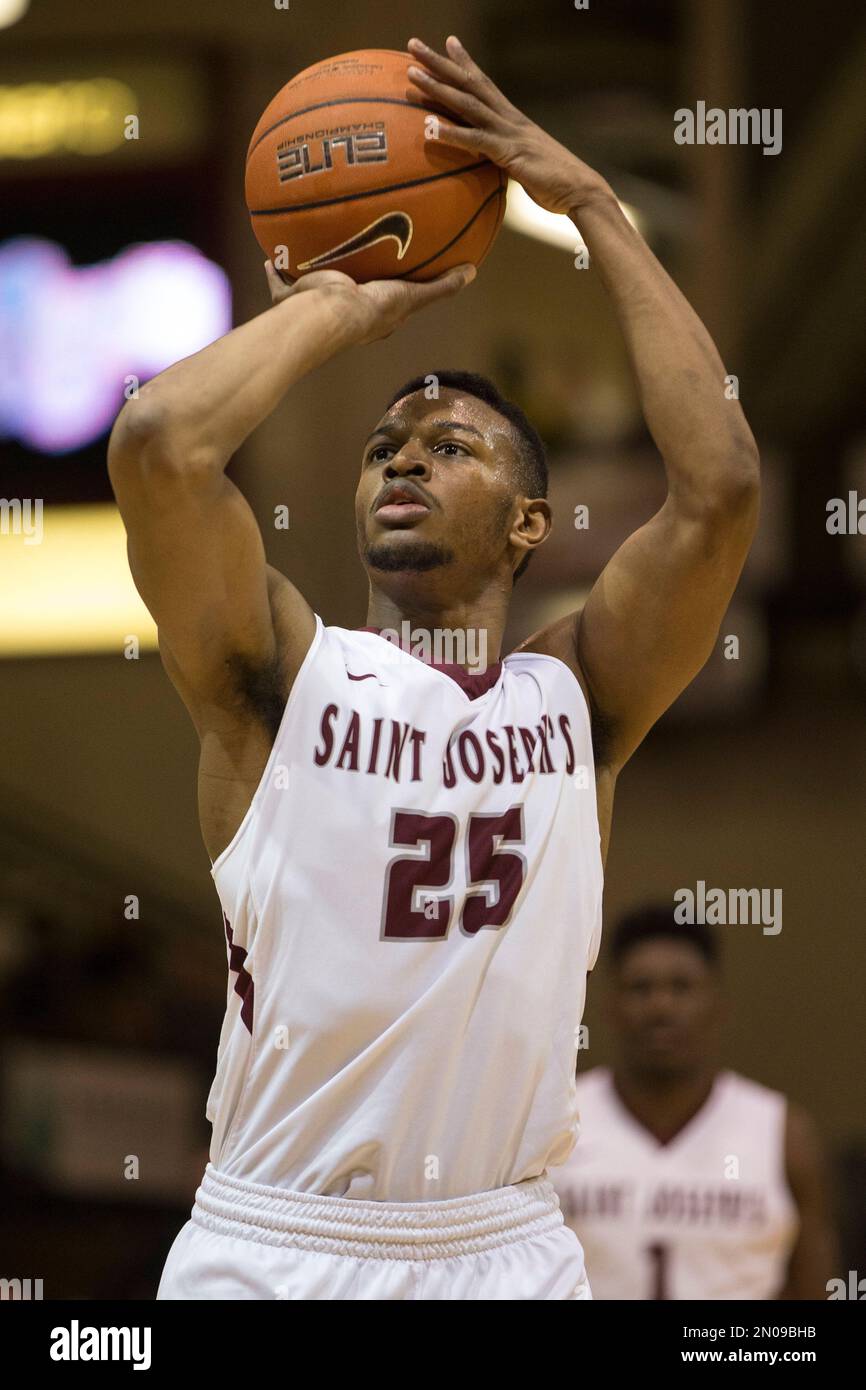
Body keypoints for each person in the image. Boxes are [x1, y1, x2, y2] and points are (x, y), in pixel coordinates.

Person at [107, 34, 760, 1300]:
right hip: (274, 1240)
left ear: (529, 522)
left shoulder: (576, 698)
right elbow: (160, 445)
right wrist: (335, 306)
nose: (402, 459)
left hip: (502, 1248)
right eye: (381, 446)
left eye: (450, 445)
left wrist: (588, 208)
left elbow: (720, 487)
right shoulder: (281, 678)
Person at [551, 906, 838, 1299]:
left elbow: (812, 1290)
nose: (661, 1008)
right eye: (640, 988)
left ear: (718, 1003)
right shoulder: (556, 1122)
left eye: (682, 987)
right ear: (609, 1005)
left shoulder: (784, 1132)